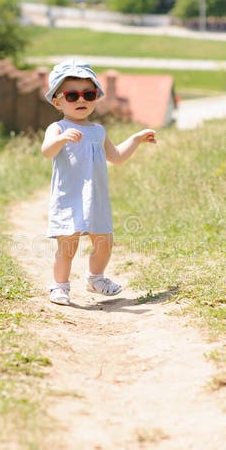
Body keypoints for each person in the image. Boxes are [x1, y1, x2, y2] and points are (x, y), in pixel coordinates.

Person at [41, 58, 156, 306]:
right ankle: (59, 286)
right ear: (57, 100)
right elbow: (46, 151)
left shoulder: (98, 131)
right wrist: (61, 140)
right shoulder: (57, 128)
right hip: (69, 197)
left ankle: (96, 278)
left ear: (95, 97)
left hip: (96, 197)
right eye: (72, 96)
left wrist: (135, 140)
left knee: (104, 243)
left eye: (88, 94)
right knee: (67, 246)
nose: (81, 100)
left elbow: (116, 157)